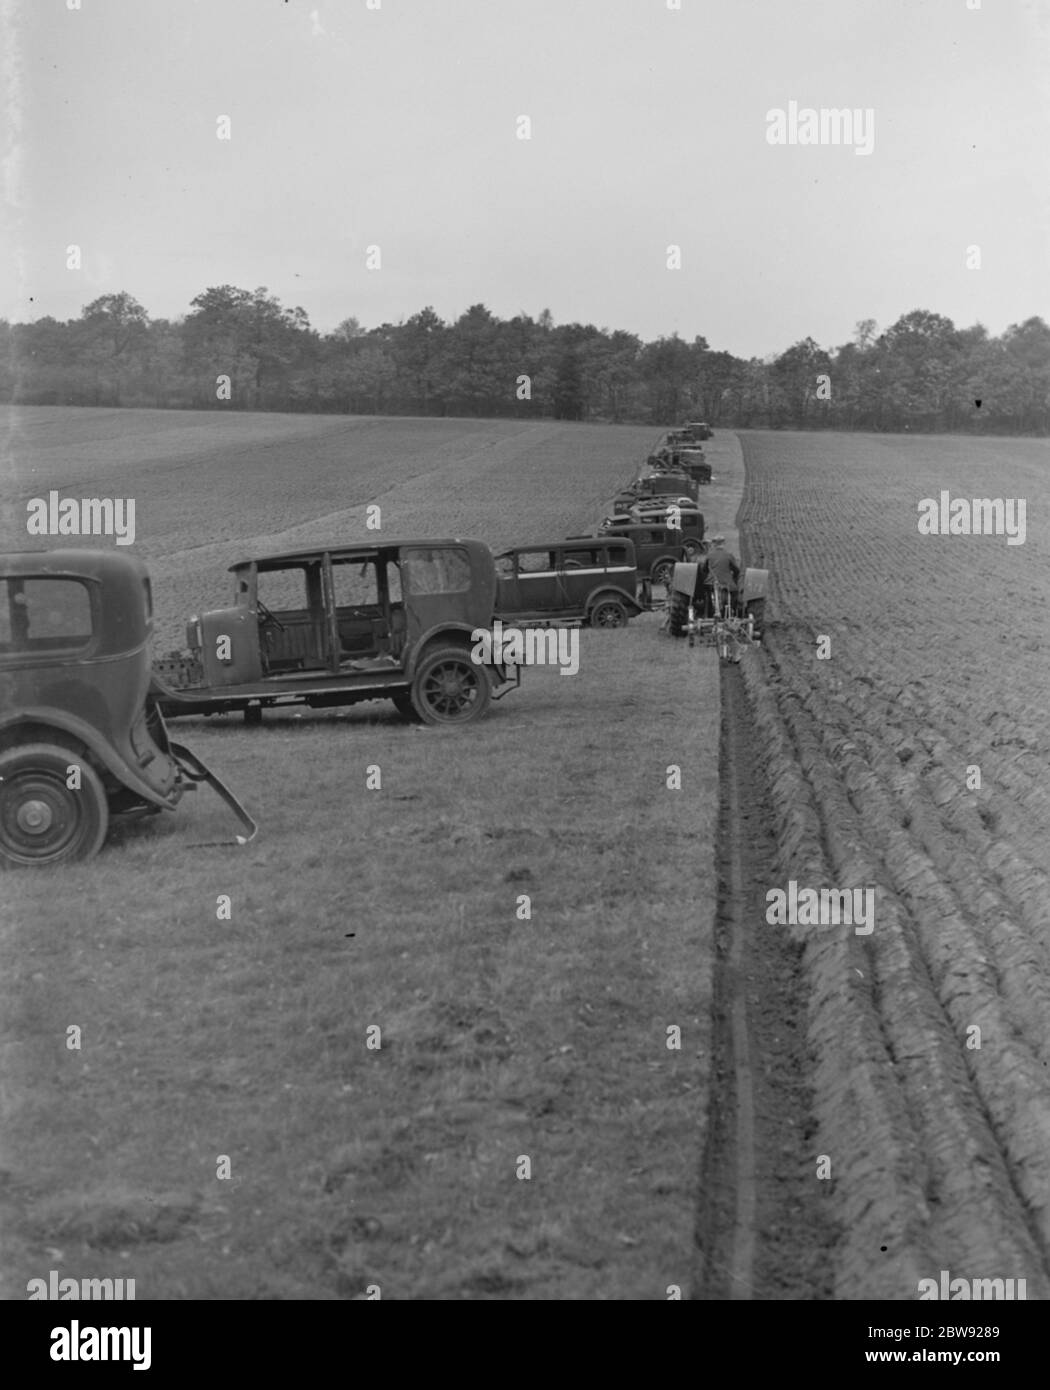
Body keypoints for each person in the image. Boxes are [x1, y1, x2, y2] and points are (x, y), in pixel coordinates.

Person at [697, 535, 740, 618]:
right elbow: (736, 570)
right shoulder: (728, 555)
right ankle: (734, 611)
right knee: (735, 593)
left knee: (707, 594)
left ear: (714, 544)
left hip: (711, 582)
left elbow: (704, 569)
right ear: (723, 543)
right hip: (726, 583)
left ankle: (707, 613)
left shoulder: (709, 555)